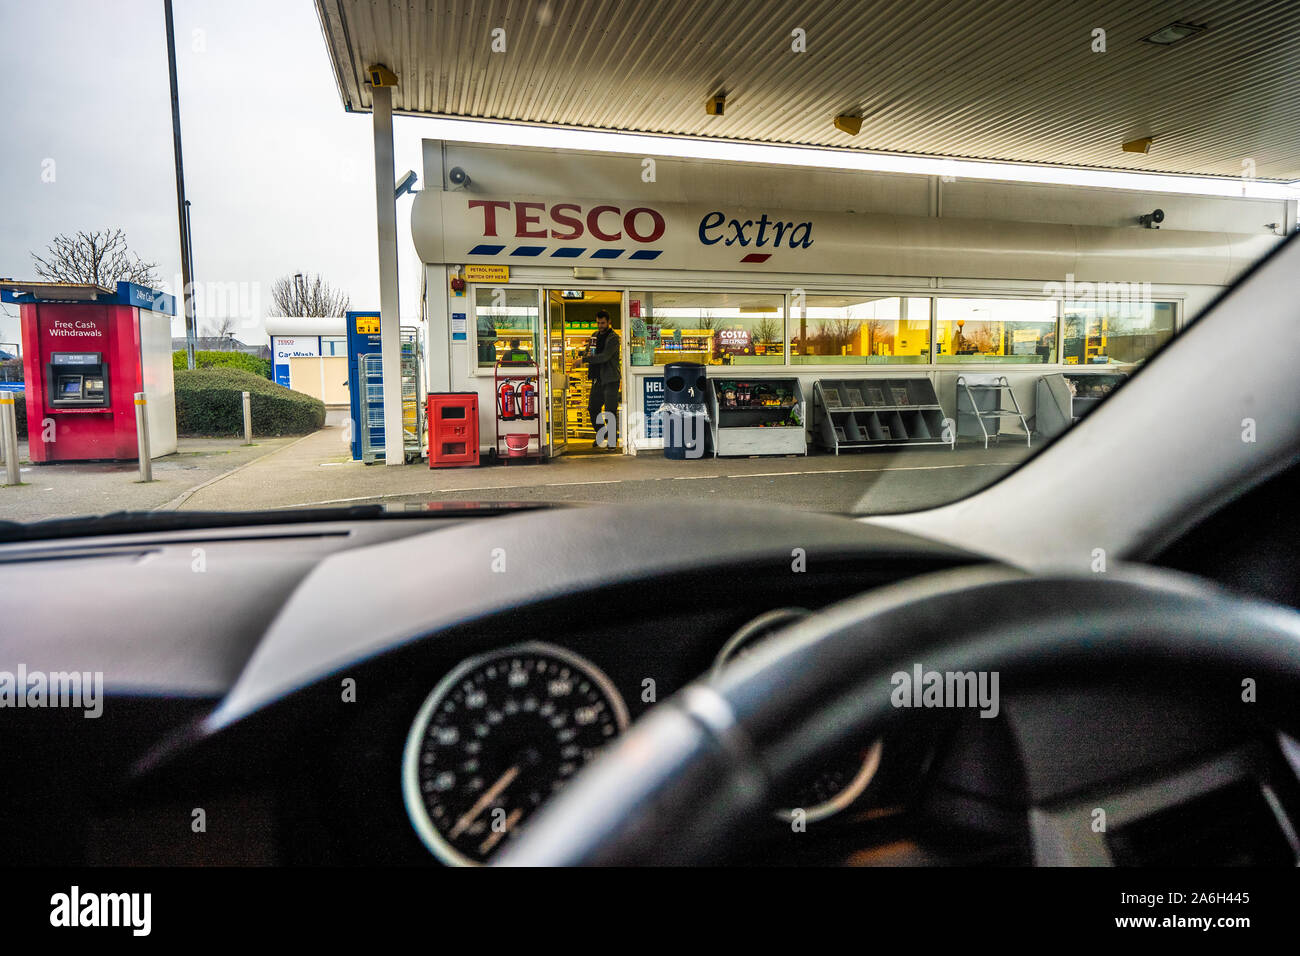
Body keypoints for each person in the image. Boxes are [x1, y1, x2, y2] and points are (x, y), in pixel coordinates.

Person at [583, 309, 621, 448]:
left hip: (611, 379)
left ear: (609, 322)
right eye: (598, 322)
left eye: (603, 323)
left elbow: (605, 356)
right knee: (593, 408)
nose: (600, 325)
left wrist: (584, 359)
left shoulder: (613, 338)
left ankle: (612, 441)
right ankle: (602, 433)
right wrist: (587, 353)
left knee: (610, 410)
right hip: (597, 379)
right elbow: (589, 350)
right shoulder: (594, 335)